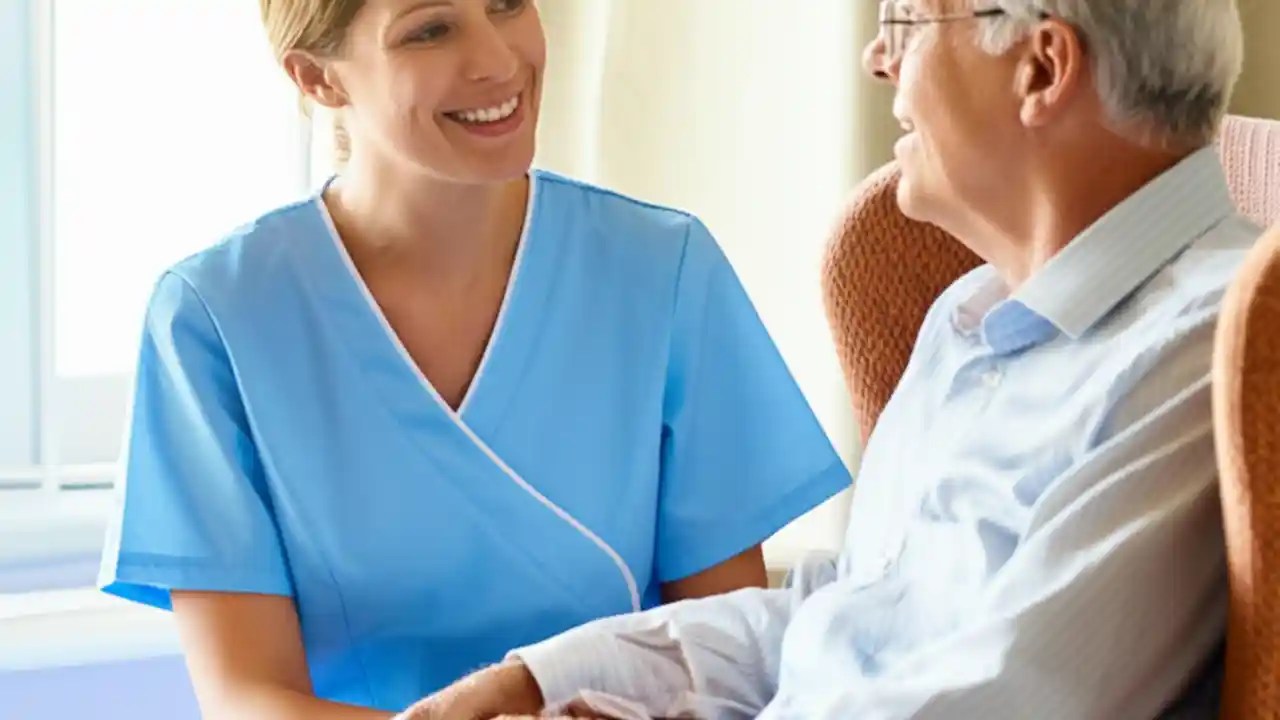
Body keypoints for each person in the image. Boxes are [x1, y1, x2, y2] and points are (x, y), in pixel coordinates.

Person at [403, 0, 1262, 718]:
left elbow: (1008, 702)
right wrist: (541, 679)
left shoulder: (1220, 349)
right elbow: (853, 611)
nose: (877, 58)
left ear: (1041, 68)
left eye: (908, 21)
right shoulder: (970, 320)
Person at [95, 0, 852, 717]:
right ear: (318, 77)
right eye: (430, 30)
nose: (498, 61)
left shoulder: (663, 271)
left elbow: (729, 664)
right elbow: (249, 701)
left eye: (508, 4)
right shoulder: (216, 318)